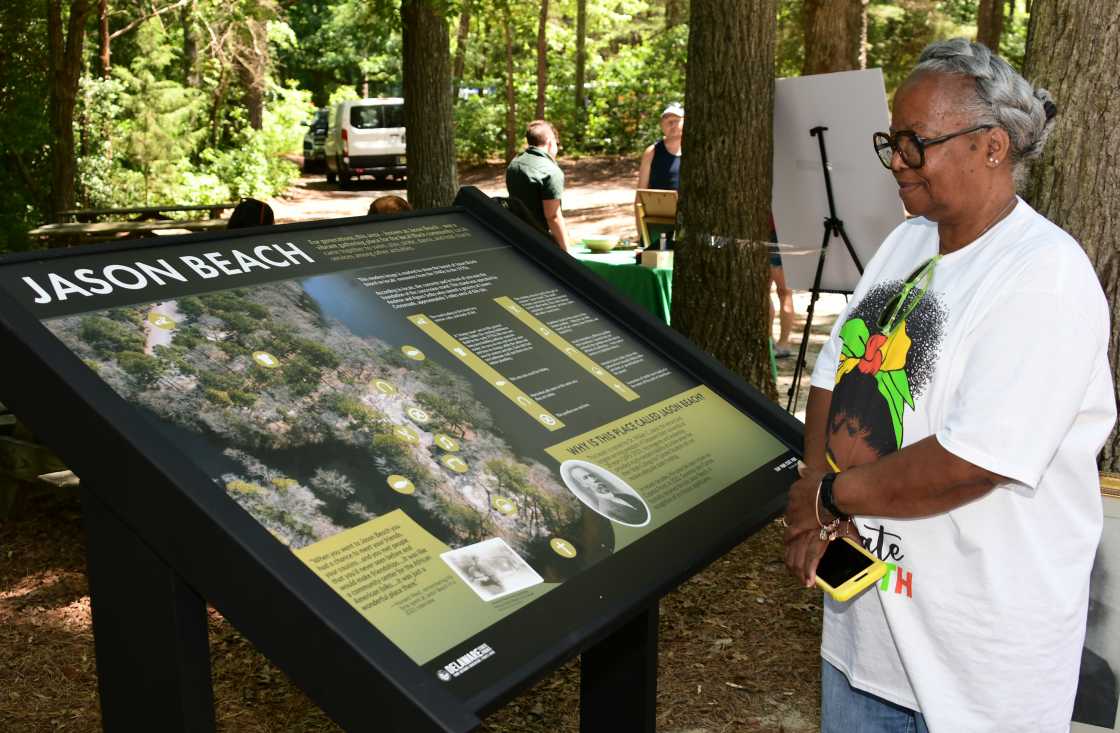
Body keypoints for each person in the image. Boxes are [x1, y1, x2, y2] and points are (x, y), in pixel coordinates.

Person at [782, 38, 1115, 732]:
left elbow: (971, 461)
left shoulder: (1043, 273)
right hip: (865, 642)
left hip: (979, 672)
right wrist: (816, 490)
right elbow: (829, 373)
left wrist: (830, 492)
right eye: (891, 141)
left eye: (915, 142)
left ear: (991, 147)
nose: (897, 161)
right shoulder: (906, 243)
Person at [505, 120, 572, 253]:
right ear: (550, 142)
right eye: (557, 144)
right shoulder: (550, 171)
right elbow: (553, 216)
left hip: (515, 236)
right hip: (540, 243)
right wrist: (567, 252)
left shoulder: (515, 163)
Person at [635, 103, 683, 248]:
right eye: (668, 122)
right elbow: (640, 196)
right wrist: (641, 235)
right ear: (662, 126)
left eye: (676, 120)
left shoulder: (696, 150)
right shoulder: (652, 152)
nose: (672, 125)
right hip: (658, 221)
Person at [566, 464, 648, 525]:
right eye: (585, 478)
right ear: (584, 484)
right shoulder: (606, 510)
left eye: (591, 475)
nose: (593, 479)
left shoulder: (625, 495)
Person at [768, 215, 794, 358]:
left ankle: (783, 343)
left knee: (784, 291)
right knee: (761, 291)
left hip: (780, 231)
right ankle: (768, 339)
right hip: (760, 229)